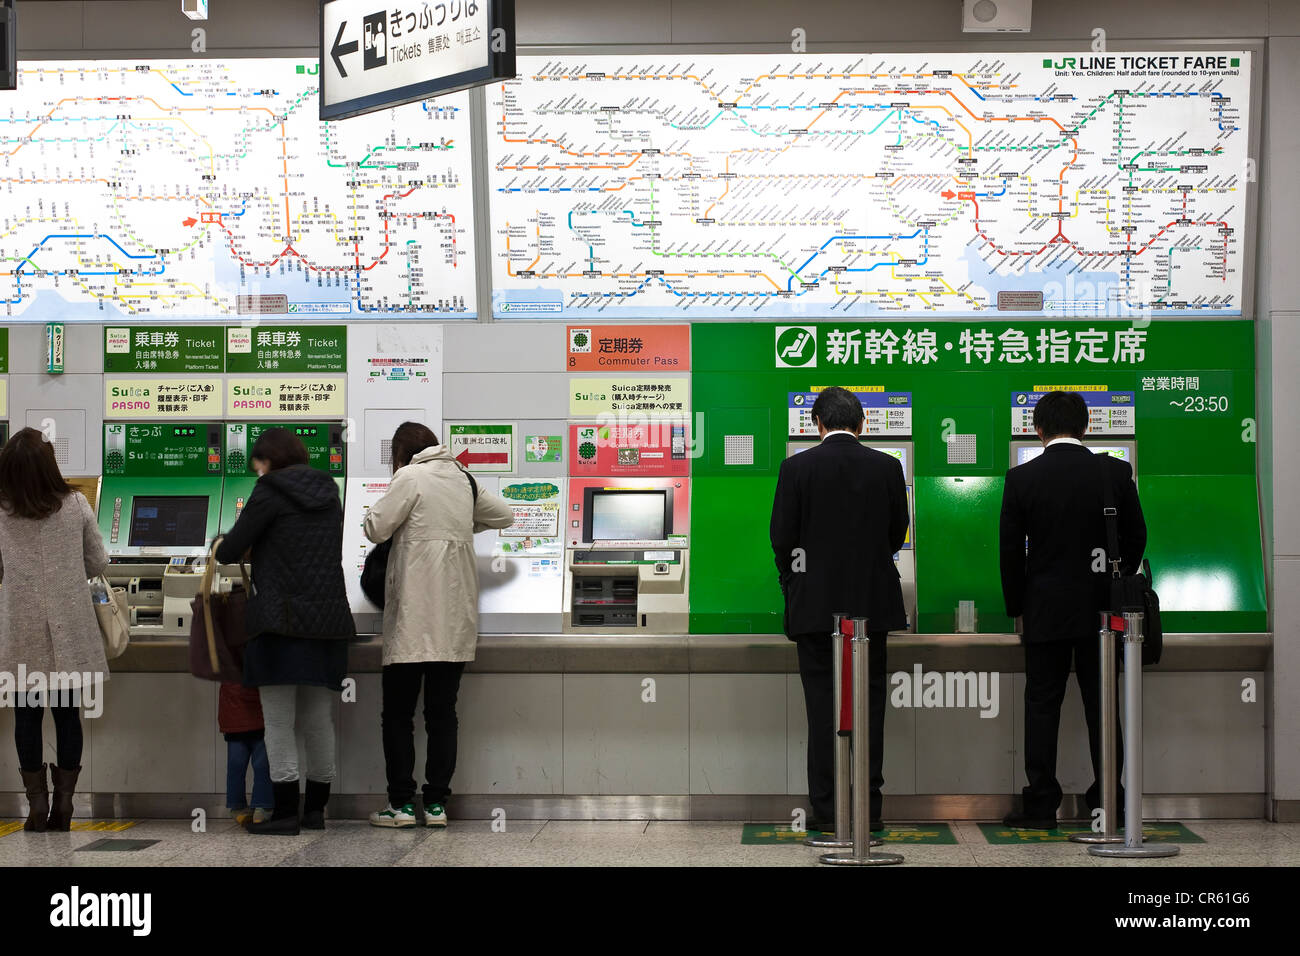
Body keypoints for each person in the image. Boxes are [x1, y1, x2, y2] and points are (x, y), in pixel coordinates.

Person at [999, 390, 1147, 829]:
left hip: (1044, 610)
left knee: (1042, 706)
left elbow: (1010, 554)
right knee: (1102, 706)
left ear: (1037, 429)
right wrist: (1115, 581)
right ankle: (1109, 802)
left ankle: (1041, 805)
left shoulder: (1022, 479)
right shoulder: (1115, 473)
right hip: (1103, 612)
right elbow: (1137, 537)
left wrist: (1017, 608)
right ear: (1085, 428)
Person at [769, 387, 909, 833]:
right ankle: (869, 808)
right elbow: (896, 531)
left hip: (814, 611)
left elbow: (782, 538)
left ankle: (827, 811)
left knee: (821, 709)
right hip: (872, 608)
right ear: (863, 423)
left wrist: (797, 584)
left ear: (817, 424)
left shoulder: (796, 468)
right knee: (870, 707)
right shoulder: (888, 467)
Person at [363, 422, 513, 828]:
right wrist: (464, 524)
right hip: (453, 620)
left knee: (397, 715)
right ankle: (436, 806)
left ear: (400, 453)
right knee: (442, 714)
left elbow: (375, 527)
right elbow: (505, 515)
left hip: (413, 618)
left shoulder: (409, 477)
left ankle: (401, 805)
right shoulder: (463, 478)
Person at [215, 427, 355, 835]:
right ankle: (315, 813)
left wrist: (230, 543)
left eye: (258, 462)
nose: (257, 469)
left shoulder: (269, 490)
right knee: (317, 720)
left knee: (277, 722)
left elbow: (228, 549)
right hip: (327, 621)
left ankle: (284, 815)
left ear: (269, 461)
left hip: (280, 622)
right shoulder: (329, 491)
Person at [0, 428, 110, 832]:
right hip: (69, 632)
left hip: (21, 632)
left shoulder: (1, 511)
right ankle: (64, 807)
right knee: (67, 716)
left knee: (26, 718)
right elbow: (97, 562)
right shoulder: (77, 504)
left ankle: (34, 809)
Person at [220, 676, 273, 827]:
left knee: (235, 766)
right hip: (259, 716)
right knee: (262, 765)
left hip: (233, 716)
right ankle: (262, 806)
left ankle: (237, 806)